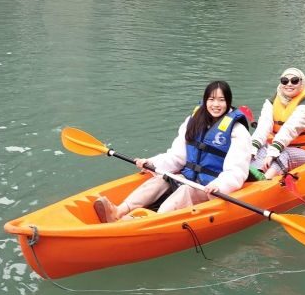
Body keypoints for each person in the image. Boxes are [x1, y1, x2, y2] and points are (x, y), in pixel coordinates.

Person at [92, 81, 252, 222]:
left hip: (209, 186)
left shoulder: (237, 131)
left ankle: (150, 222)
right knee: (162, 179)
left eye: (221, 100)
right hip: (187, 177)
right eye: (211, 99)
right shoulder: (193, 122)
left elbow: (236, 171)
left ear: (228, 102)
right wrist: (151, 163)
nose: (216, 105)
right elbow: (177, 156)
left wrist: (219, 185)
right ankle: (119, 211)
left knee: (186, 191)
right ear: (205, 101)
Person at [249, 68, 305, 180]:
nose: (289, 84)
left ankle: (264, 182)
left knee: (283, 154)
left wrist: (273, 151)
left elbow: (289, 129)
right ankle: (250, 173)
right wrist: (251, 149)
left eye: (294, 80)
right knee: (256, 148)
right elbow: (263, 127)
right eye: (285, 81)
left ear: (302, 83)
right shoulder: (272, 102)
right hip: (281, 146)